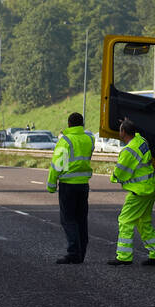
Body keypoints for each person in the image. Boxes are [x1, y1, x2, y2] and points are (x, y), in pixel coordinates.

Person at [108, 118, 155, 266]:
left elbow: (120, 173)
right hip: (150, 188)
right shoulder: (141, 141)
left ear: (123, 132)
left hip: (139, 192)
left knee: (125, 221)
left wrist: (113, 177)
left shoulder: (128, 151)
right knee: (143, 222)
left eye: (120, 129)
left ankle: (124, 257)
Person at [47, 112, 95, 264]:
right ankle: (81, 253)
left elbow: (57, 165)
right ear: (82, 124)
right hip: (83, 185)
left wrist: (51, 184)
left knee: (68, 219)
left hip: (68, 186)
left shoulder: (65, 141)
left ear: (68, 125)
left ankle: (73, 252)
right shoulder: (89, 139)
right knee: (81, 219)